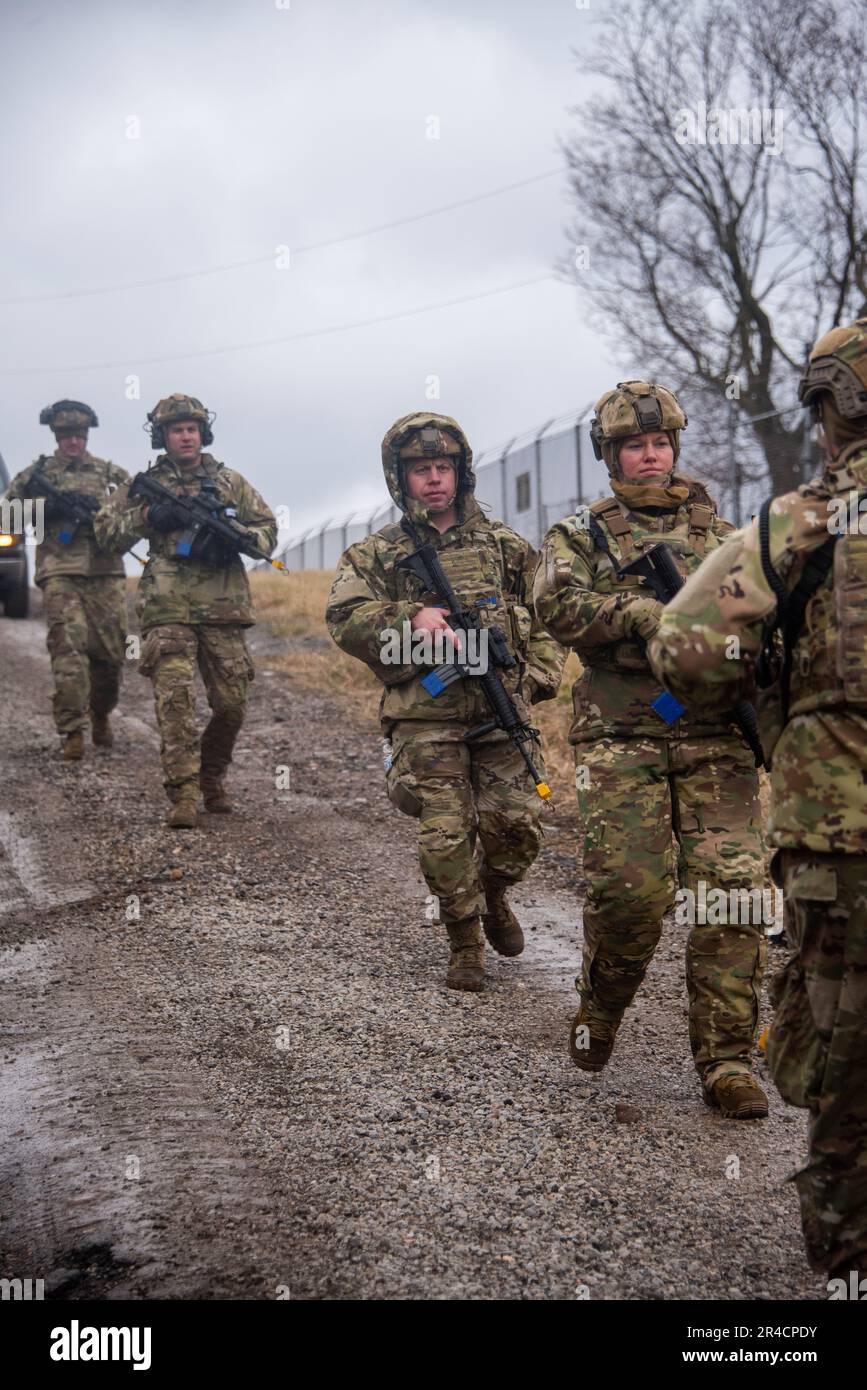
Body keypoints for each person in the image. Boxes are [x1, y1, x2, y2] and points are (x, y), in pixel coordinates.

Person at [648, 318, 867, 1278]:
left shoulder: (806, 521)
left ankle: (848, 1255)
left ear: (830, 410)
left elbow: (685, 649)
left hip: (837, 832)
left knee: (844, 1053)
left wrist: (766, 690)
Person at [533, 381, 768, 1118]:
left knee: (730, 894)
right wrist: (637, 614)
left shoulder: (727, 537)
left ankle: (727, 1060)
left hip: (714, 736)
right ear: (610, 455)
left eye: (659, 442)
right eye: (634, 445)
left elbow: (759, 614)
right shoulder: (581, 535)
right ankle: (600, 1011)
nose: (649, 455)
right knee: (630, 894)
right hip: (621, 735)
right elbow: (555, 605)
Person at [325, 412, 564, 991]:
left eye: (443, 468)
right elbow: (343, 619)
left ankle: (495, 891)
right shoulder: (377, 555)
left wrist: (532, 679)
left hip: (500, 713)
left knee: (519, 826)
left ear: (461, 473)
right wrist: (412, 619)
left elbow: (551, 615)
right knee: (444, 833)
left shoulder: (505, 546)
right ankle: (464, 942)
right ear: (398, 479)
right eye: (420, 470)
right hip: (425, 717)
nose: (433, 479)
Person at [94, 394, 276, 829]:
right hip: (167, 605)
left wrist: (241, 537)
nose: (186, 435)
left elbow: (267, 529)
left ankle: (211, 776)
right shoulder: (143, 485)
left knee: (231, 705)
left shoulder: (230, 482)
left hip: (223, 607)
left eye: (192, 428)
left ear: (202, 432)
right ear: (163, 436)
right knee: (176, 703)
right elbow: (105, 534)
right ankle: (184, 793)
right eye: (176, 429)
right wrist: (149, 516)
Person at [5, 400, 128, 760]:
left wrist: (108, 520)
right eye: (66, 436)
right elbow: (7, 519)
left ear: (87, 436)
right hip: (59, 572)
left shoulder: (111, 475)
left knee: (109, 658)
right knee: (67, 650)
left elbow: (141, 516)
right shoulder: (35, 475)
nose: (73, 442)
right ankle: (72, 732)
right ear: (56, 436)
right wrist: (45, 509)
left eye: (79, 435)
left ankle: (101, 712)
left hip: (106, 573)